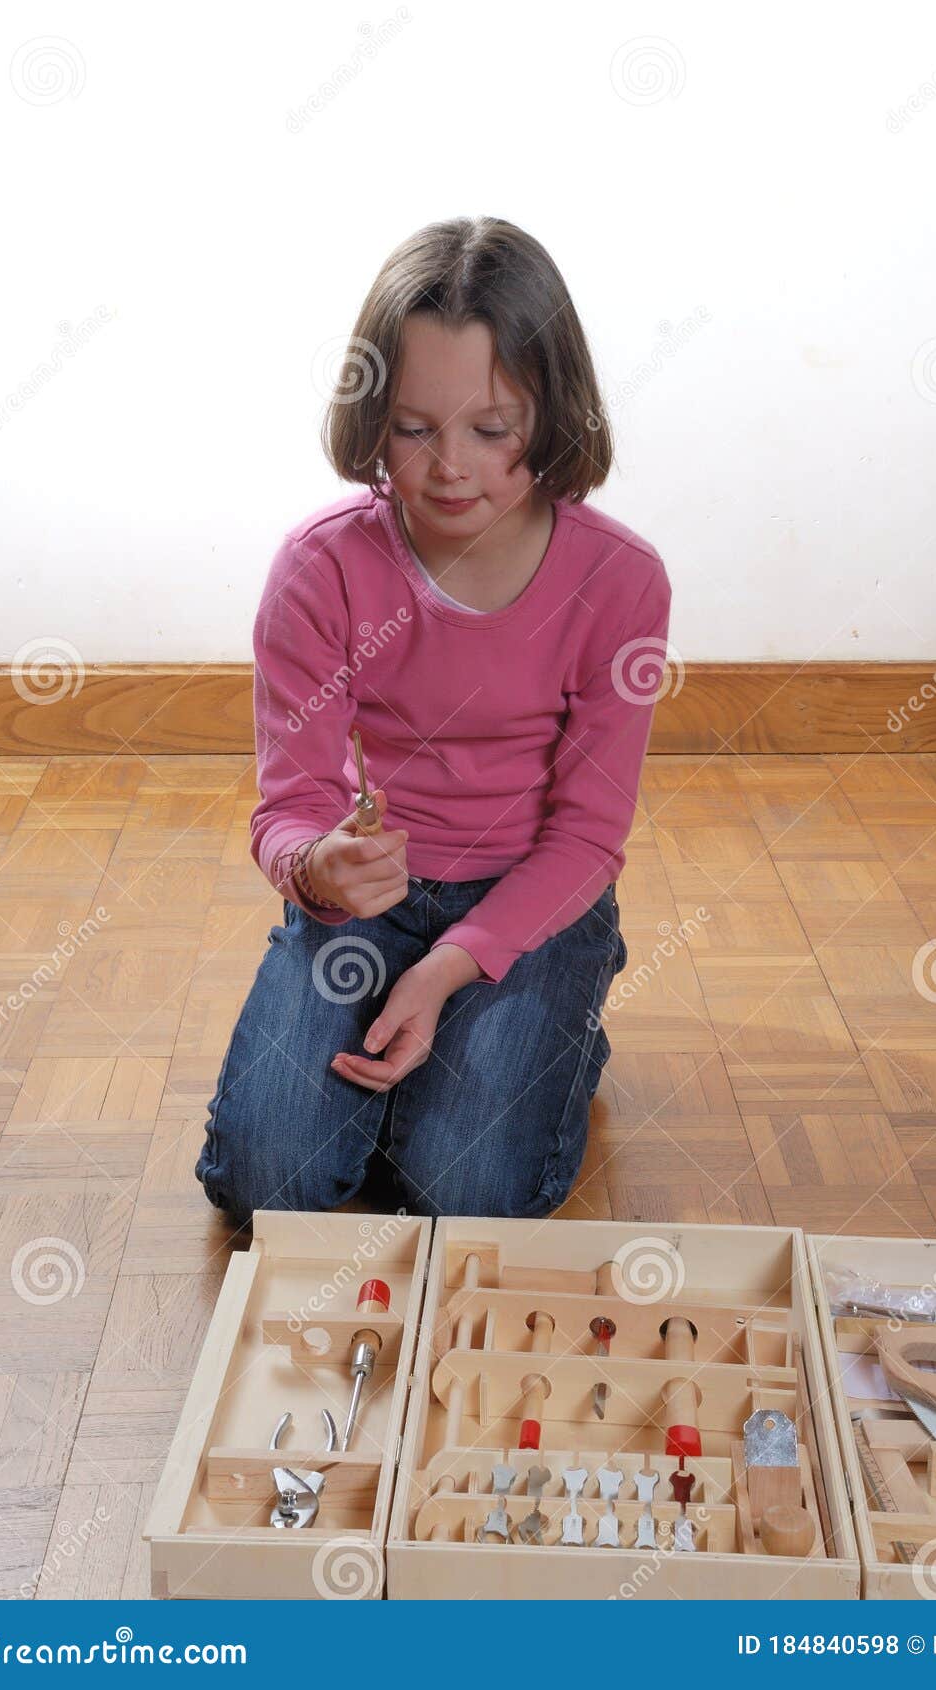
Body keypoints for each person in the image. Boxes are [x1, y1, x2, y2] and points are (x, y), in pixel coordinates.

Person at [196, 215, 671, 1224]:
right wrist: (318, 869)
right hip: (371, 905)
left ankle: (551, 1026)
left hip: (535, 895)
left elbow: (589, 837)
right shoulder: (322, 568)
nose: (450, 466)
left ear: (552, 416)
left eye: (492, 430)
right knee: (264, 1186)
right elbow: (289, 812)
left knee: (467, 1192)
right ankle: (460, 1060)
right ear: (373, 417)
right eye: (414, 428)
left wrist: (453, 967)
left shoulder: (619, 580)